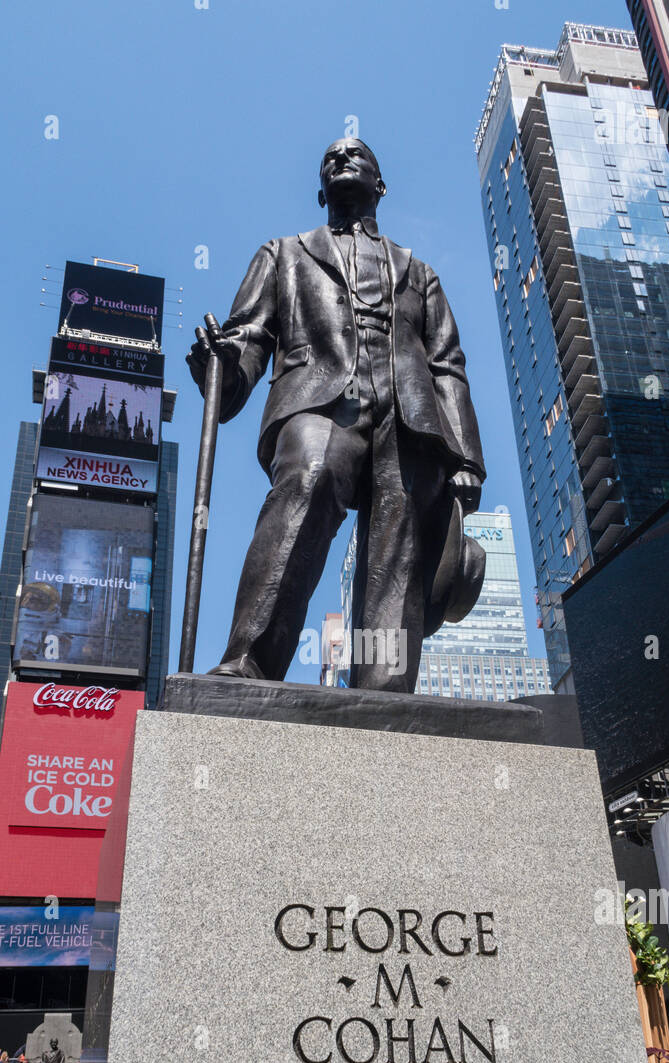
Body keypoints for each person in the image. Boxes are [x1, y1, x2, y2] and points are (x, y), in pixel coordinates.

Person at [186, 138, 486, 693]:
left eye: (357, 154)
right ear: (321, 189)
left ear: (381, 184)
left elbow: (446, 364)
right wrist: (224, 368)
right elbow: (249, 338)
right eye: (330, 159)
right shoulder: (284, 254)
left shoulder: (419, 273)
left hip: (409, 415)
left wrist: (466, 457)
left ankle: (383, 686)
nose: (340, 159)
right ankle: (249, 661)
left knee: (398, 538)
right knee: (310, 476)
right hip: (320, 398)